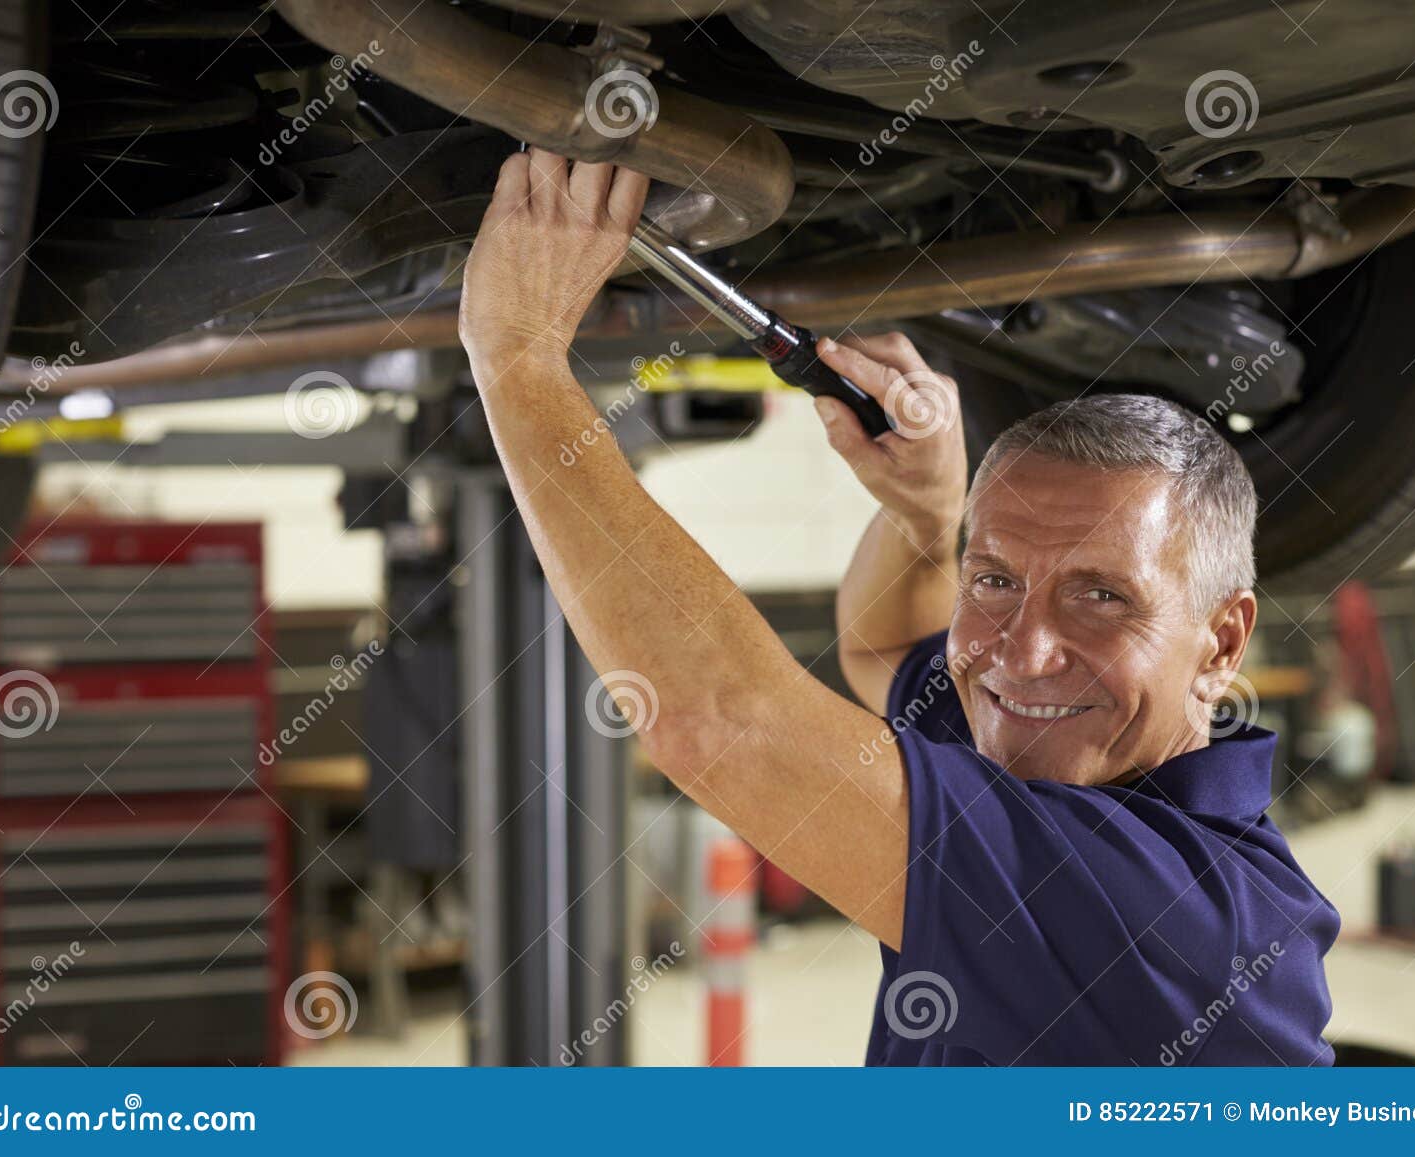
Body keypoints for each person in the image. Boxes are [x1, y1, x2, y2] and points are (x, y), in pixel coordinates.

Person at [459, 147, 1338, 1066]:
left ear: (1221, 641)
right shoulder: (1050, 749)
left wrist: (519, 359)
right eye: (994, 579)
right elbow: (886, 649)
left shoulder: (1195, 930)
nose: (1022, 652)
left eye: (1102, 596)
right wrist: (924, 519)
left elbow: (716, 723)